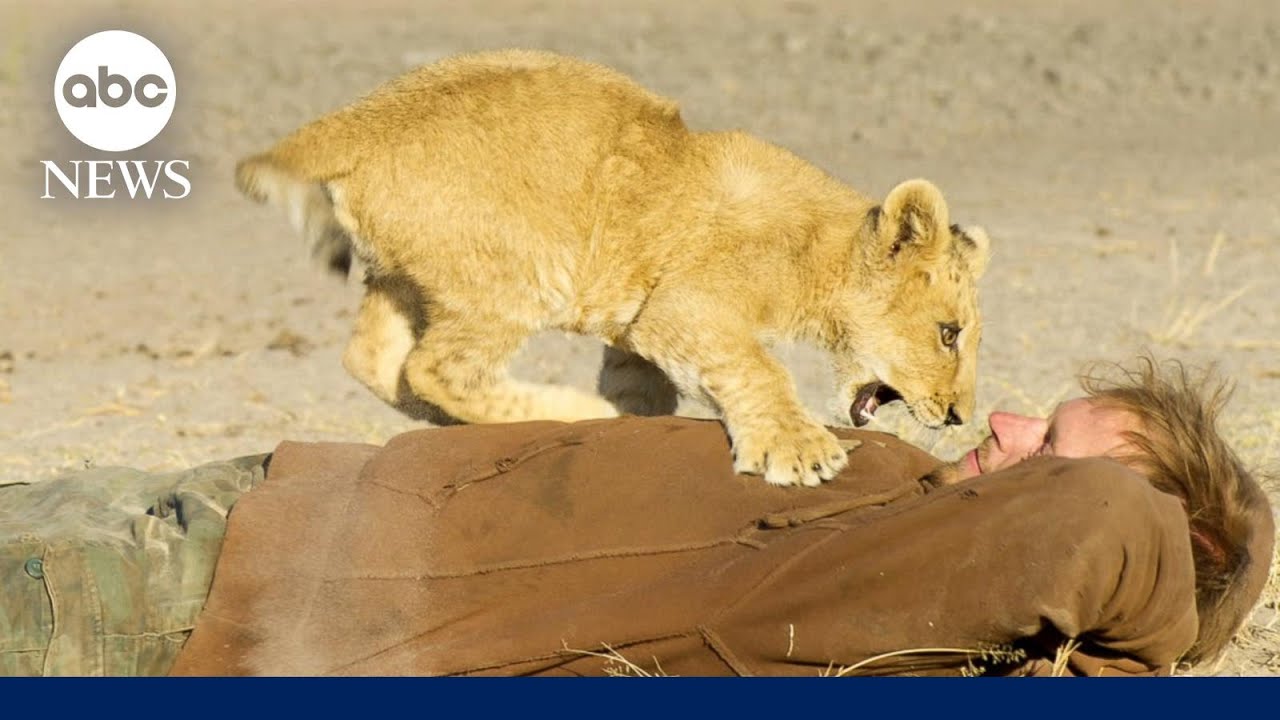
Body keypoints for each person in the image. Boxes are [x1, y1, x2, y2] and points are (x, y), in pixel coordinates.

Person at [1, 356, 1273, 677]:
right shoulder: (889, 486)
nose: (1000, 421)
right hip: (266, 489)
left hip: (183, 607)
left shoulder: (909, 612)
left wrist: (1198, 558)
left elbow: (1110, 534)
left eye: (1046, 445)